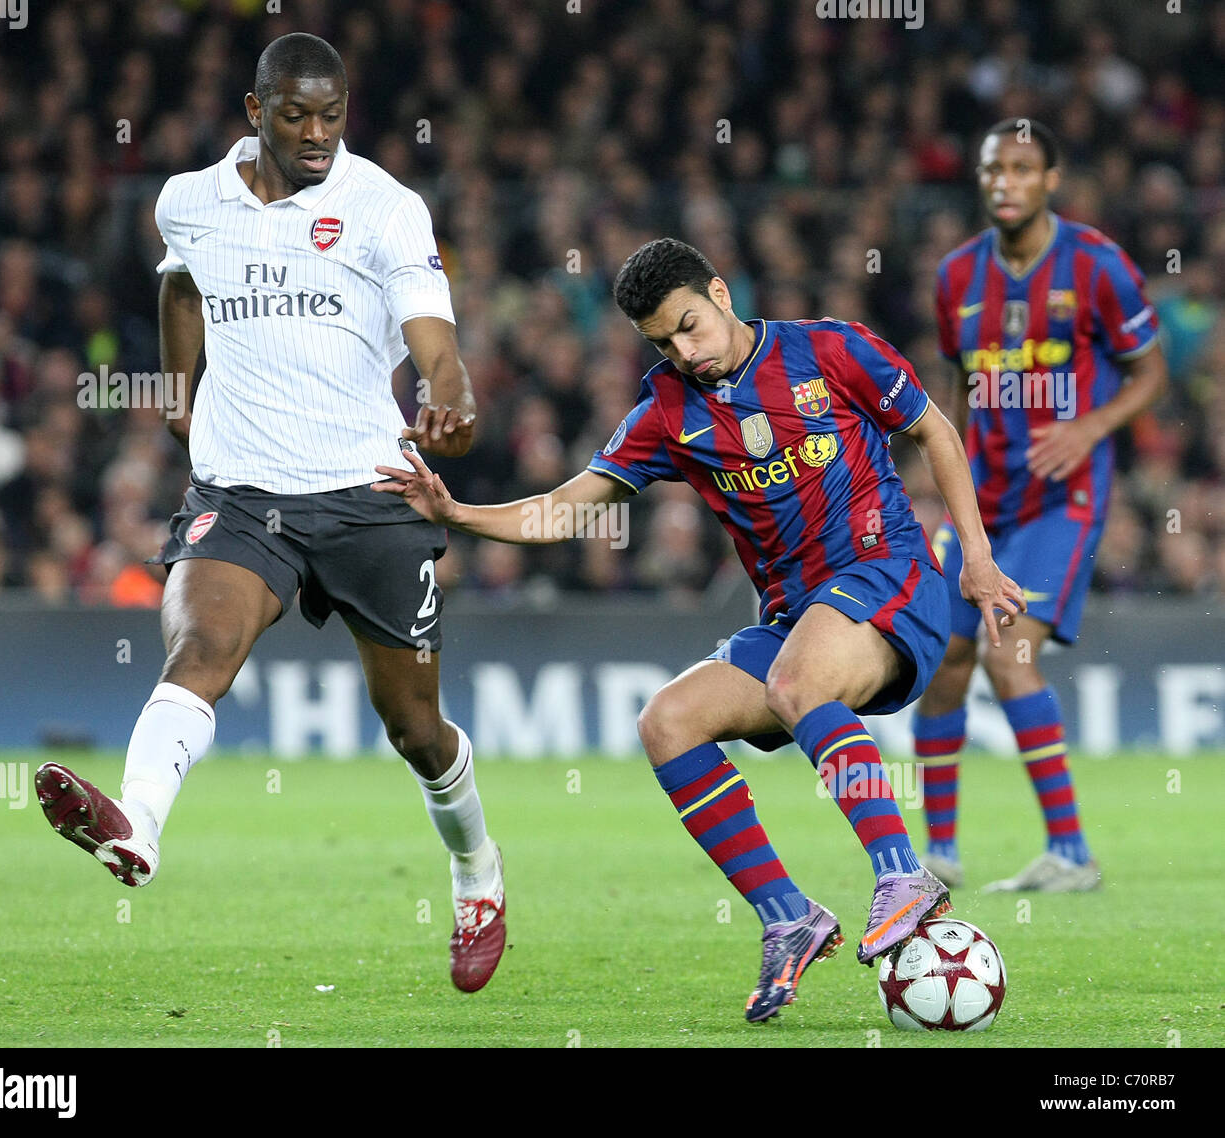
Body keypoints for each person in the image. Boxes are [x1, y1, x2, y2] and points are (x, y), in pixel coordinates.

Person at [374, 237, 1024, 1022]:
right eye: (662, 342)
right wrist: (457, 514)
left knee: (798, 680)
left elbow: (935, 433)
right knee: (668, 723)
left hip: (893, 579)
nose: (686, 351)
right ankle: (787, 915)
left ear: (721, 292)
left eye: (690, 326)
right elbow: (569, 506)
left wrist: (978, 561)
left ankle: (902, 872)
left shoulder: (832, 350)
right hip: (796, 619)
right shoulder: (668, 415)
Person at [35, 33, 507, 994]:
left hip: (368, 493)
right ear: (256, 113)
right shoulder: (190, 200)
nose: (319, 135)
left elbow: (436, 344)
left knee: (416, 728)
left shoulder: (383, 207)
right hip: (243, 488)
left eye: (333, 116)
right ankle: (137, 827)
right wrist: (179, 392)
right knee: (197, 653)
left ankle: (477, 872)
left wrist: (449, 399)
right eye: (297, 116)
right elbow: (178, 281)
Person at [914, 120, 1167, 893]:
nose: (1006, 182)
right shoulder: (956, 276)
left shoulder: (1096, 265)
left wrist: (1089, 427)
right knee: (945, 664)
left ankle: (1072, 854)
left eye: (1024, 169)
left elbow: (1149, 373)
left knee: (1006, 649)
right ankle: (940, 857)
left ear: (1051, 180)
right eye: (995, 169)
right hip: (982, 504)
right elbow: (956, 393)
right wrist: (944, 493)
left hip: (1066, 497)